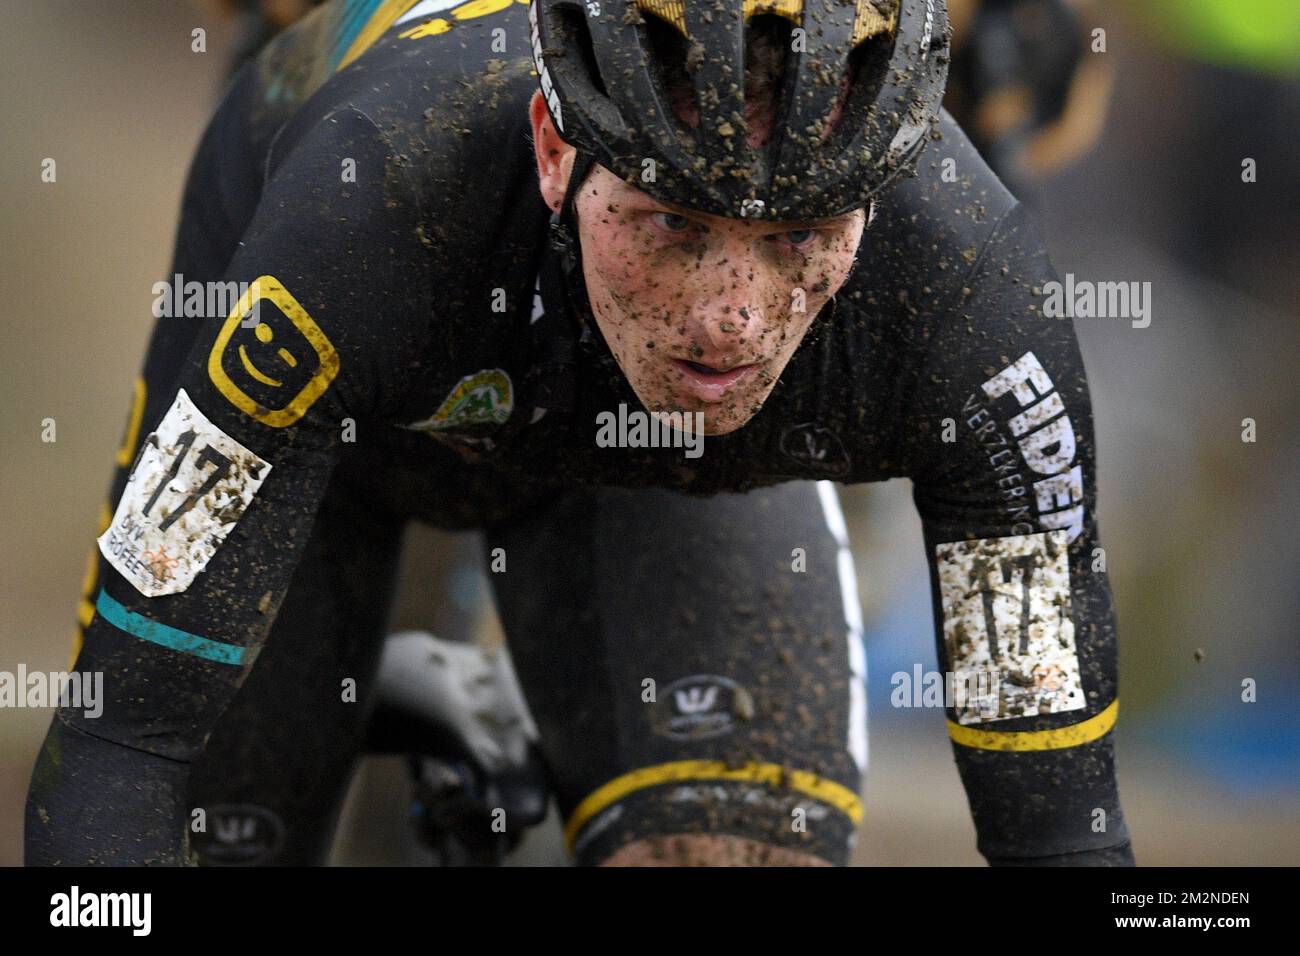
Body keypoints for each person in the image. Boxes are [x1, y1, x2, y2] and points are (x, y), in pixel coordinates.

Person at [26, 0, 1134, 867]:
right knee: (216, 835)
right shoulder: (372, 196)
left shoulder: (972, 299)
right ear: (555, 151)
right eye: (673, 223)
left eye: (801, 234)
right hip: (354, 417)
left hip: (661, 466)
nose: (731, 316)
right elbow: (123, 742)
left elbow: (1062, 830)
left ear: (876, 205)